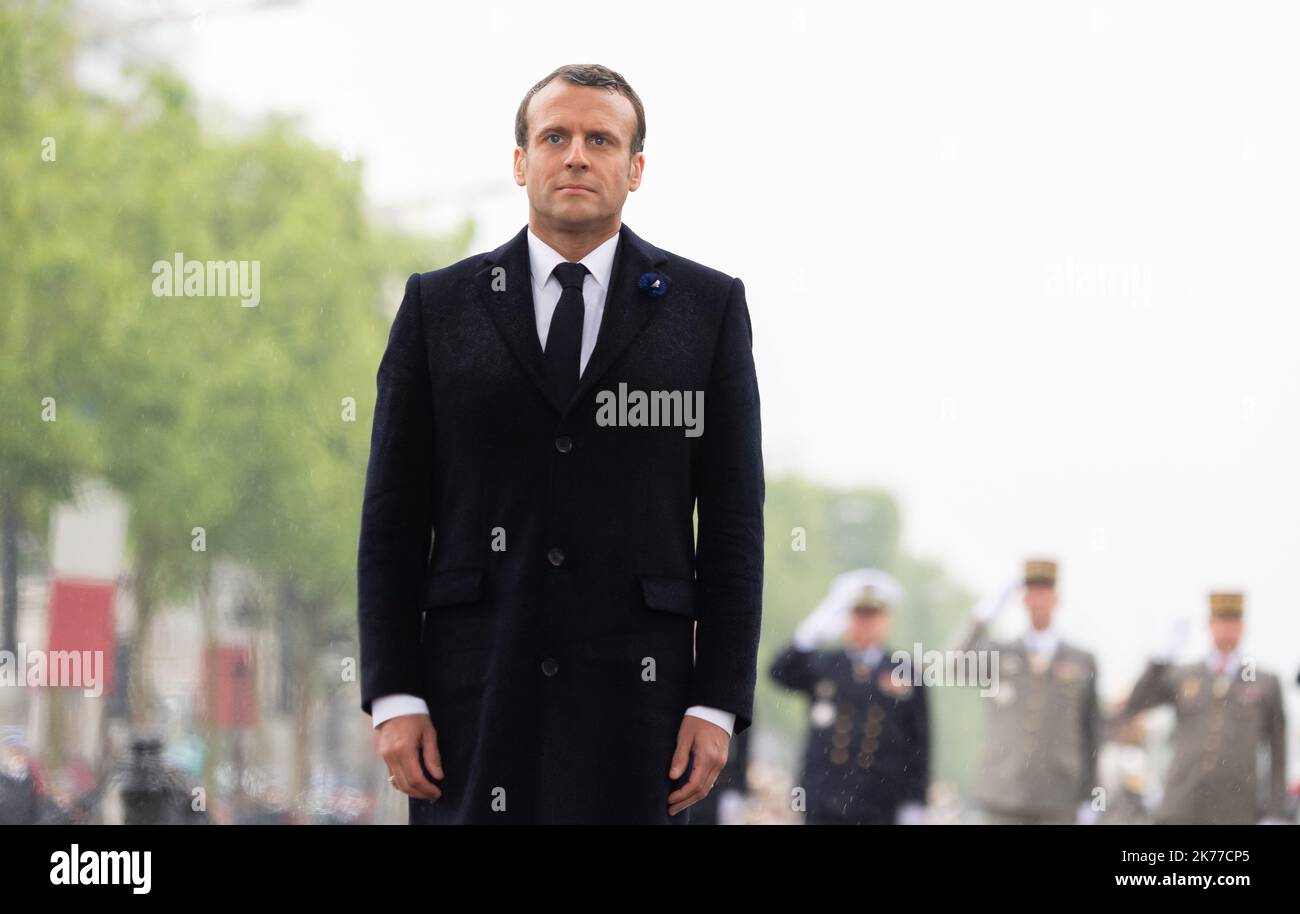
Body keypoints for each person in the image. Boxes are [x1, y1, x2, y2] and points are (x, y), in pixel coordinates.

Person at [356, 64, 765, 824]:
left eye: (600, 139)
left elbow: (735, 525)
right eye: (555, 136)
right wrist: (394, 690)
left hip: (643, 711)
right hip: (470, 699)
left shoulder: (707, 311)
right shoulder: (437, 308)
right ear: (520, 162)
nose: (576, 154)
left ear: (635, 168)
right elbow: (392, 514)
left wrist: (717, 702)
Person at [769, 570, 930, 825]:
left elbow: (919, 743)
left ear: (887, 618)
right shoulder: (825, 662)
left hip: (881, 798)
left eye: (873, 615)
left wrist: (915, 802)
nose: (865, 622)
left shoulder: (904, 670)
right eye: (858, 614)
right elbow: (779, 672)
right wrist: (811, 632)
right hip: (825, 794)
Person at [1118, 591, 1288, 824]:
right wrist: (1158, 662)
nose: (1227, 629)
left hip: (1236, 808)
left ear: (1242, 627)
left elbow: (1278, 750)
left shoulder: (1265, 683)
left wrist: (1275, 812)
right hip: (1182, 805)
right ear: (1210, 625)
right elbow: (1137, 704)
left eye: (1233, 622)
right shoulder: (1184, 675)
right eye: (1221, 621)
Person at [956, 559, 1101, 824]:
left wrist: (1094, 797)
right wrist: (980, 619)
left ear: (1056, 598)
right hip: (1003, 792)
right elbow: (954, 664)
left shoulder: (1081, 660)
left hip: (1058, 796)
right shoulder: (999, 653)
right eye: (1032, 592)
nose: (1038, 600)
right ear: (1023, 599)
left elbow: (1092, 733)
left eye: (1044, 592)